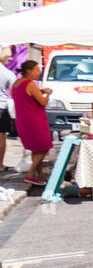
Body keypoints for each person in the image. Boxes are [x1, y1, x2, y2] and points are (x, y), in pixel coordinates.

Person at [12, 60, 52, 185]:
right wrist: (48, 94)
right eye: (37, 70)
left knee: (36, 149)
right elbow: (43, 102)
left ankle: (40, 176)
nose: (39, 72)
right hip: (35, 120)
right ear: (29, 71)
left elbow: (26, 98)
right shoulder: (30, 84)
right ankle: (30, 174)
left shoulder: (16, 83)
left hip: (22, 120)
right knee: (44, 147)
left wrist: (41, 92)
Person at [0, 46, 16, 174]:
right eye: (9, 56)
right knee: (1, 137)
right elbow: (15, 92)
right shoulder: (7, 73)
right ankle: (0, 164)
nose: (10, 58)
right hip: (1, 107)